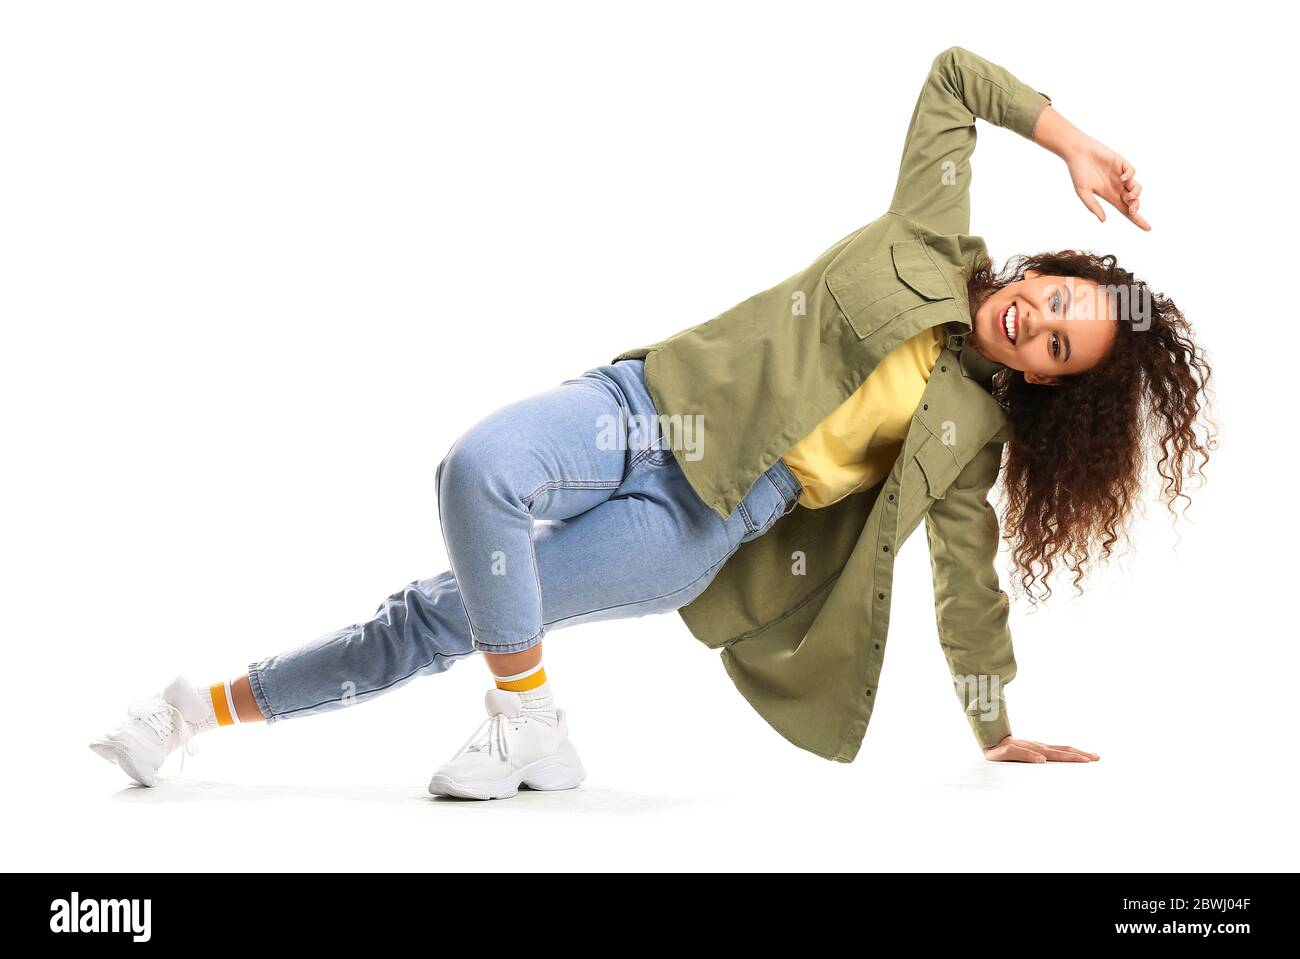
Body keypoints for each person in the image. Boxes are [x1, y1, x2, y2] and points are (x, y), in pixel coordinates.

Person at [91, 47, 1213, 798]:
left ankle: (199, 710)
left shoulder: (970, 425)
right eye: (1058, 300)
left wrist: (992, 722)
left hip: (712, 524)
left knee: (443, 615)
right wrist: (1072, 139)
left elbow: (968, 586)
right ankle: (531, 721)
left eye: (1058, 347)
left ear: (1047, 381)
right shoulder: (929, 230)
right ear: (1052, 269)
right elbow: (954, 77)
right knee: (477, 466)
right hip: (649, 410)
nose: (1040, 324)